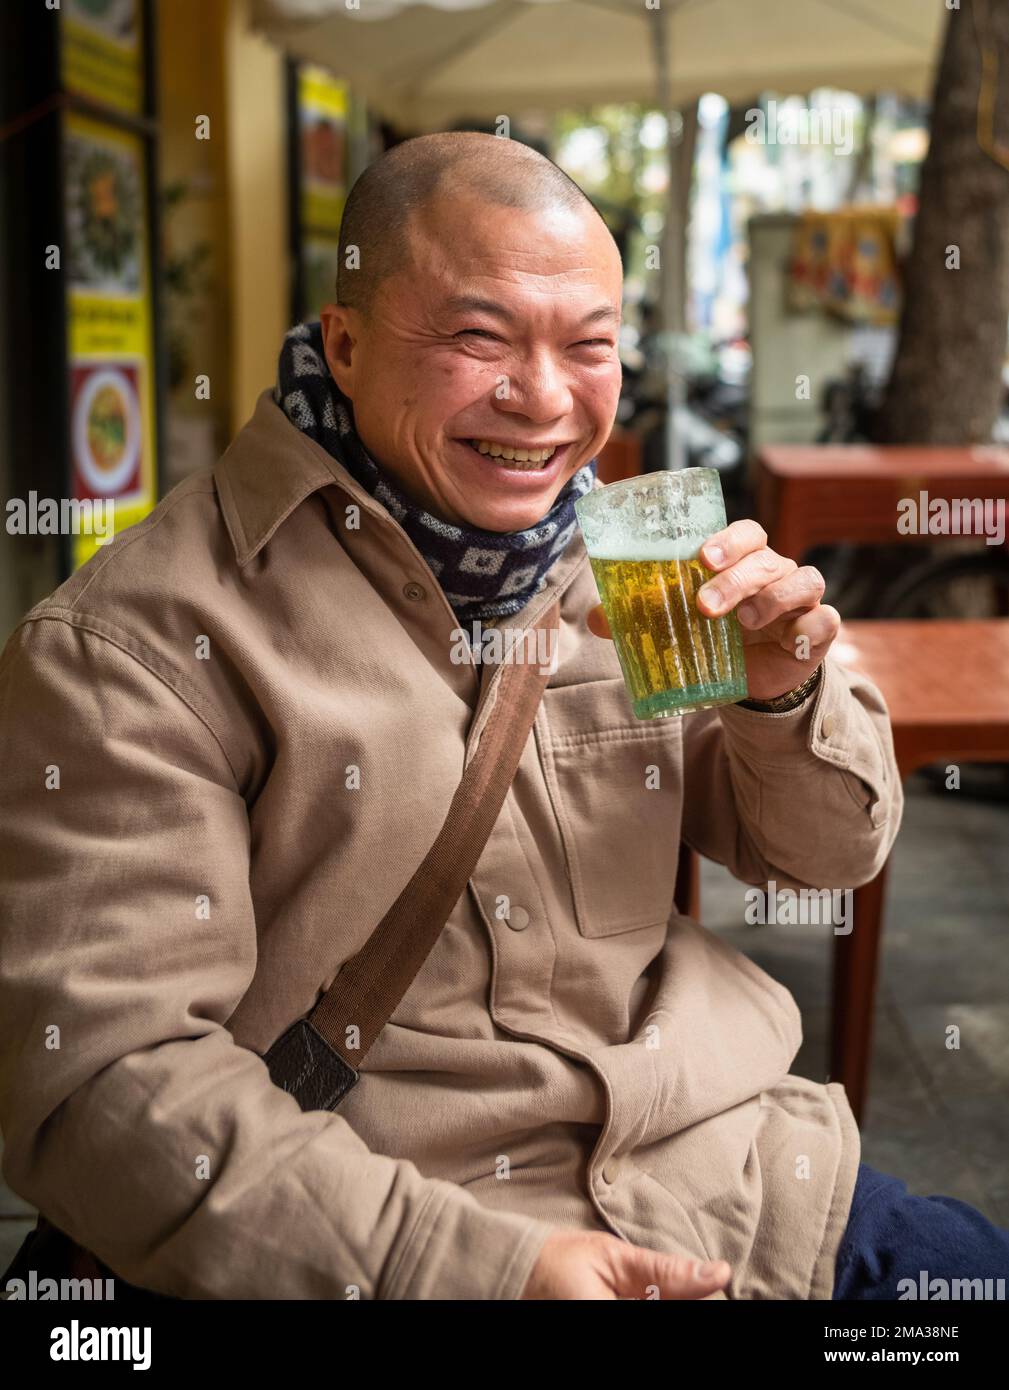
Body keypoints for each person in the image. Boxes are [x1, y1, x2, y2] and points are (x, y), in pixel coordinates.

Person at [0, 132, 1004, 1301]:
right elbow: (106, 1087)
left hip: (722, 1175)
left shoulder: (640, 554)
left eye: (590, 346)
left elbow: (826, 856)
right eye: (480, 338)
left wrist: (780, 699)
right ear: (346, 342)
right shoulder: (134, 644)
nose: (542, 397)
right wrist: (482, 1268)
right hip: (376, 1228)